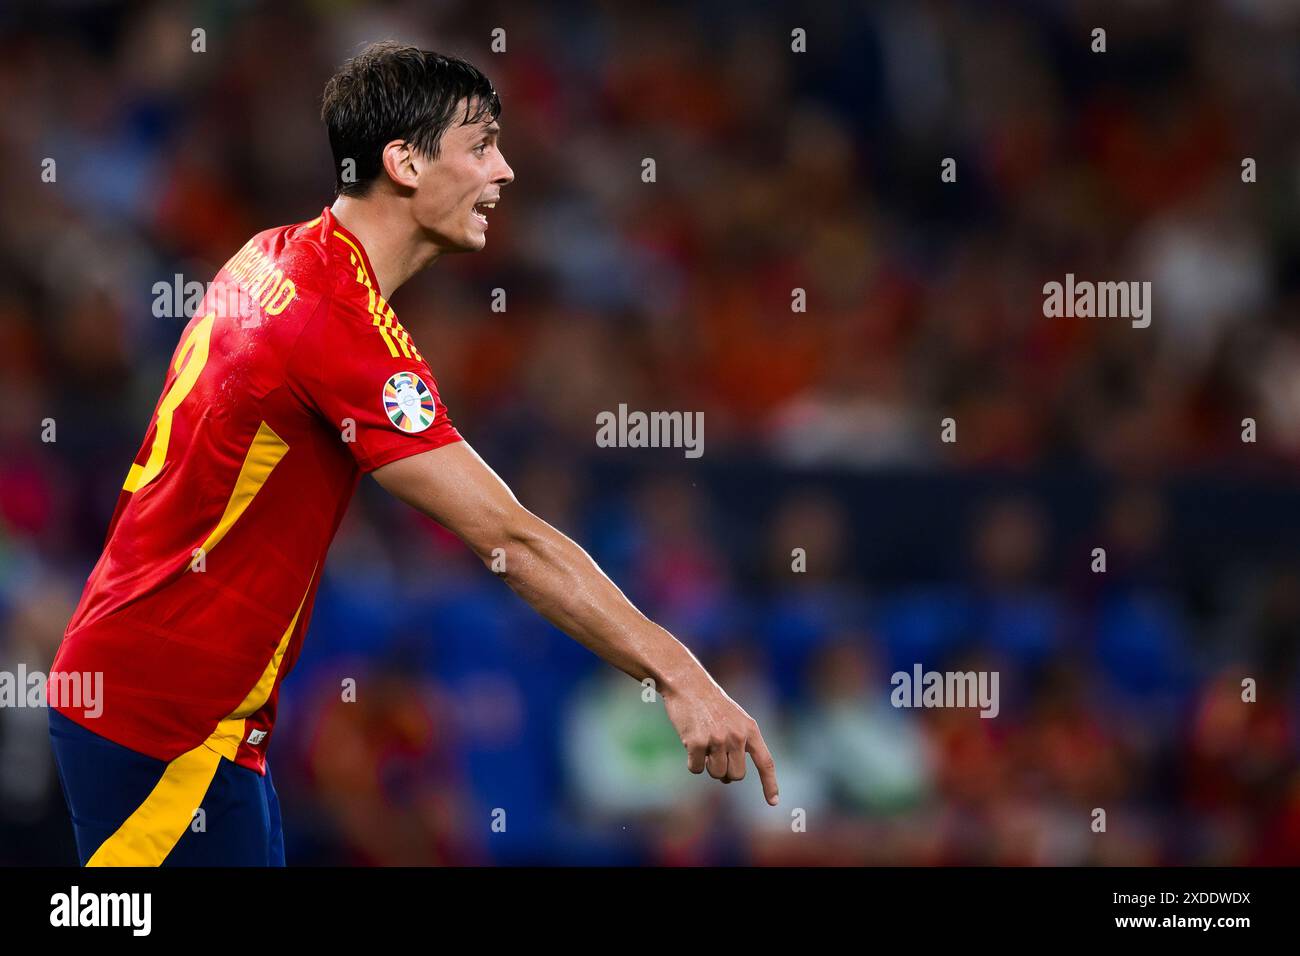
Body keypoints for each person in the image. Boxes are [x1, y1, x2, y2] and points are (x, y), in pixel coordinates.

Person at [47, 41, 778, 866]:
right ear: (402, 161)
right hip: (165, 723)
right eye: (481, 145)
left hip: (160, 702)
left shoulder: (273, 251)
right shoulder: (337, 325)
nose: (503, 172)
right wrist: (678, 670)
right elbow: (513, 540)